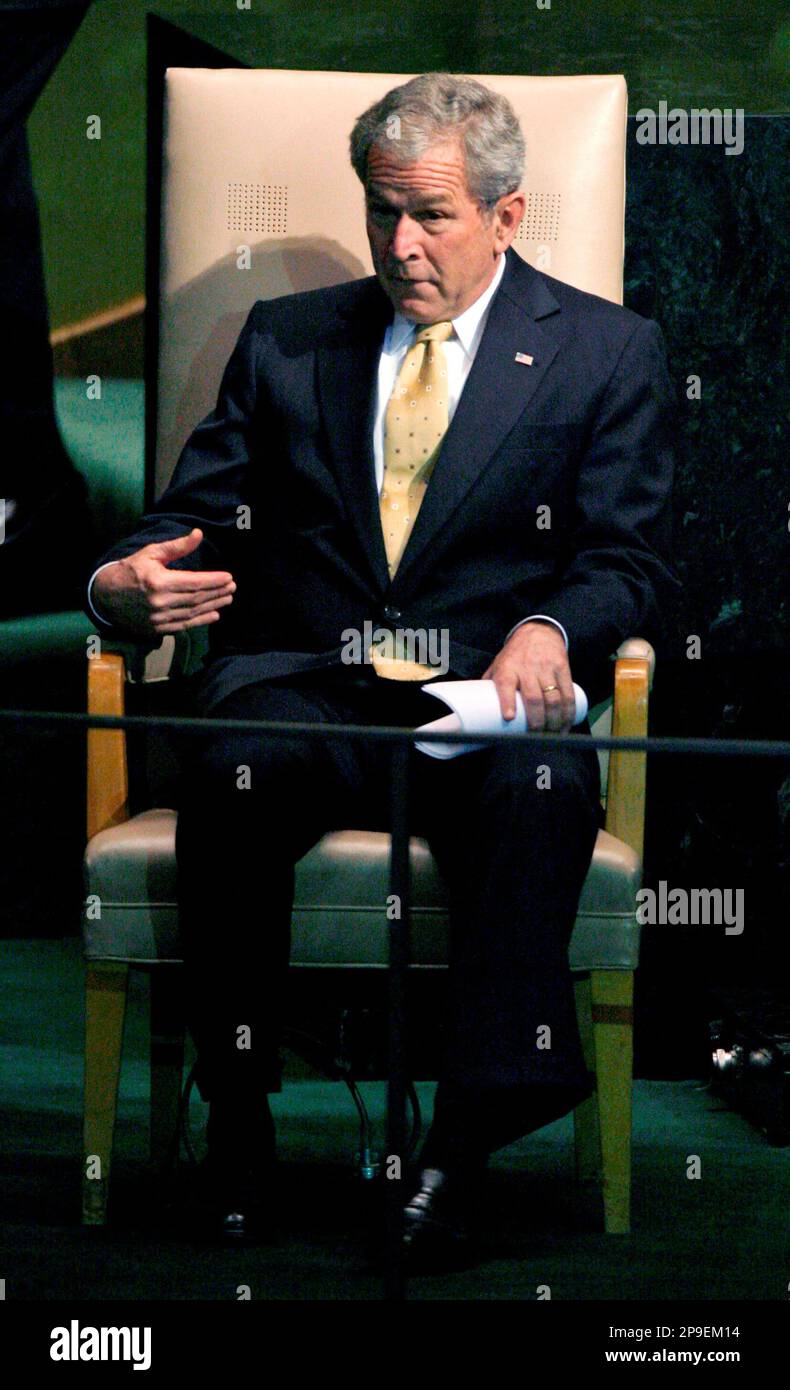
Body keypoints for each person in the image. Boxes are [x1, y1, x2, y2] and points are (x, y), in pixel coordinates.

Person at [85, 73, 679, 1266]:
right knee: (235, 758)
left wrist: (553, 629)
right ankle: (239, 1116)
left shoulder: (605, 353)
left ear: (508, 215)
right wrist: (122, 585)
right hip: (308, 682)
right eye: (380, 212)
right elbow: (184, 520)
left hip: (483, 693)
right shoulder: (289, 341)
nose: (400, 245)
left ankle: (462, 1148)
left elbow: (632, 557)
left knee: (545, 789)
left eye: (432, 215)